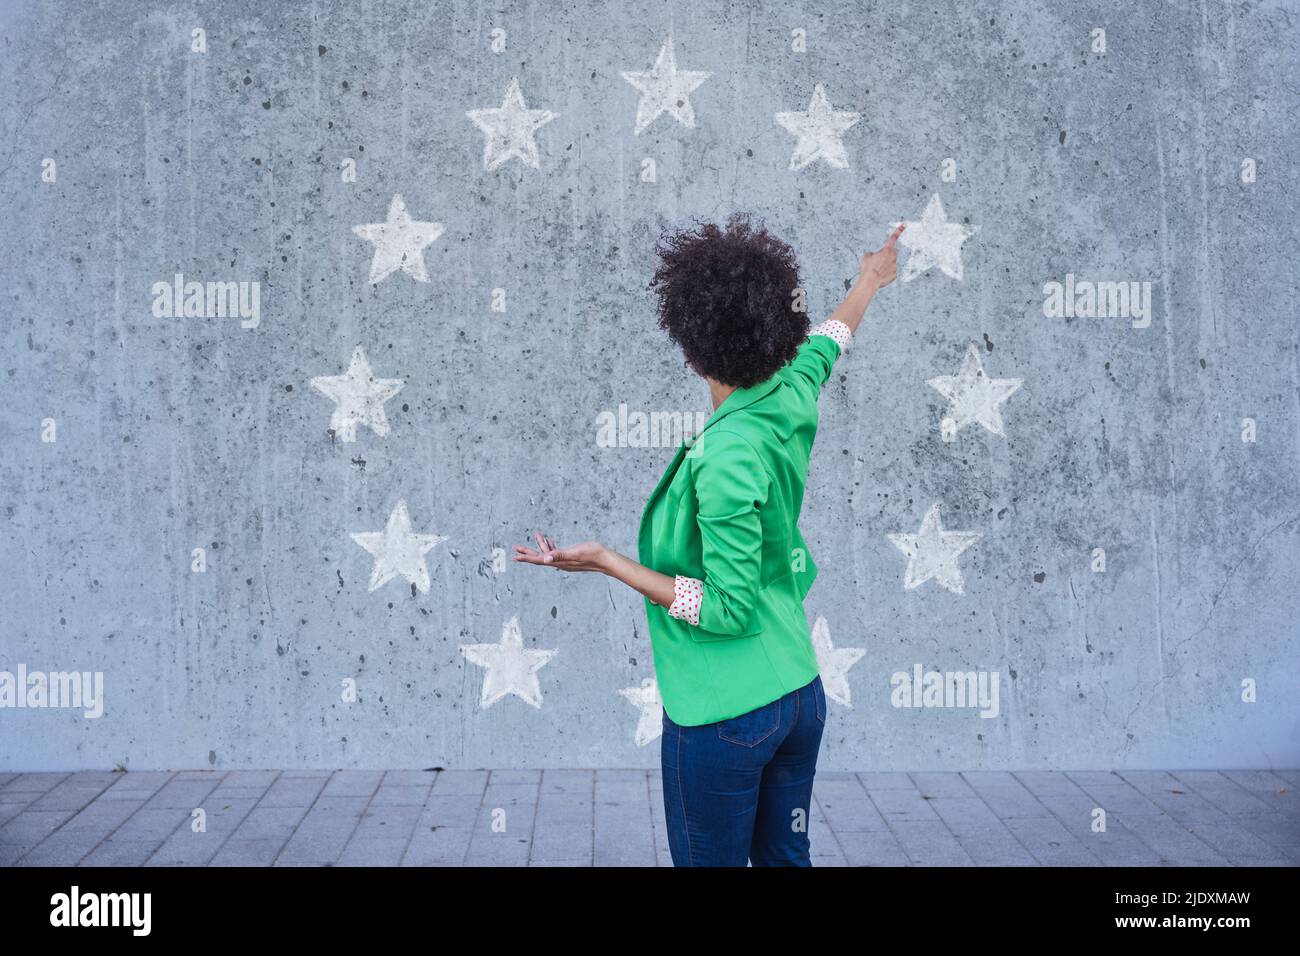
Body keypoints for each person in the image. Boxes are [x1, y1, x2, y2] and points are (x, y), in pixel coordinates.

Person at [514, 214, 903, 865]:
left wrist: (612, 563)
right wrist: (870, 279)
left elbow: (727, 607)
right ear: (780, 329)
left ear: (690, 347)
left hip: (729, 714)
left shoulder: (725, 456)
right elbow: (832, 342)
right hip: (798, 695)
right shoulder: (790, 389)